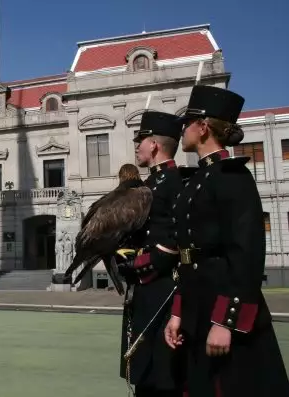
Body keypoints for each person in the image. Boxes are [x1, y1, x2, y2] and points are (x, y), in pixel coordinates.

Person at [164, 85, 289, 397]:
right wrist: (178, 311)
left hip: (222, 303)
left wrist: (226, 323)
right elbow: (187, 255)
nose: (182, 130)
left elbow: (246, 253)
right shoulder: (196, 181)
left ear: (203, 127)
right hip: (196, 304)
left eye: (187, 123)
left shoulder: (232, 177)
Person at [118, 111, 186, 397]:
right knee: (145, 373)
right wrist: (123, 255)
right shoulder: (148, 185)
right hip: (144, 288)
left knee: (163, 375)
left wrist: (140, 263)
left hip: (162, 287)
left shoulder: (174, 182)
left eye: (140, 140)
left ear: (154, 145)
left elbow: (176, 238)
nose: (136, 146)